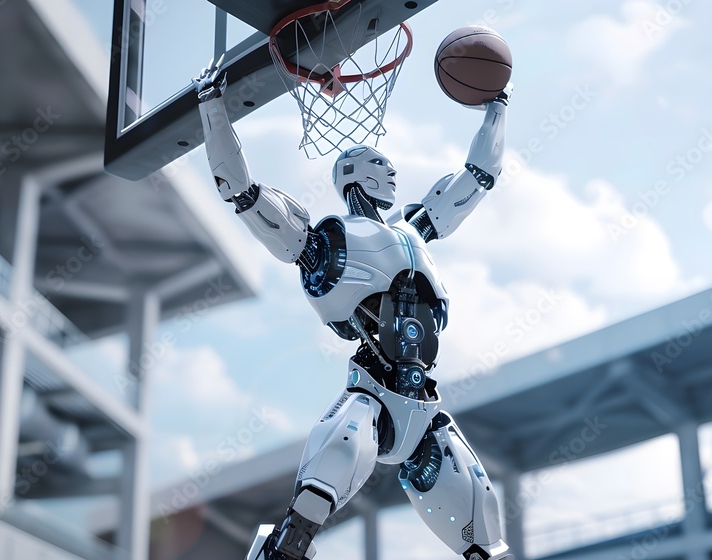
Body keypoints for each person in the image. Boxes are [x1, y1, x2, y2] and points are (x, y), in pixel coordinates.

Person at [193, 59, 514, 560]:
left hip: (424, 401)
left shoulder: (412, 230)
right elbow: (246, 195)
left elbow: (477, 178)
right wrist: (212, 108)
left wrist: (497, 111)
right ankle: (283, 548)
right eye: (380, 167)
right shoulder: (331, 240)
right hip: (375, 390)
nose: (391, 173)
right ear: (359, 176)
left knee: (482, 525)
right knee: (331, 471)